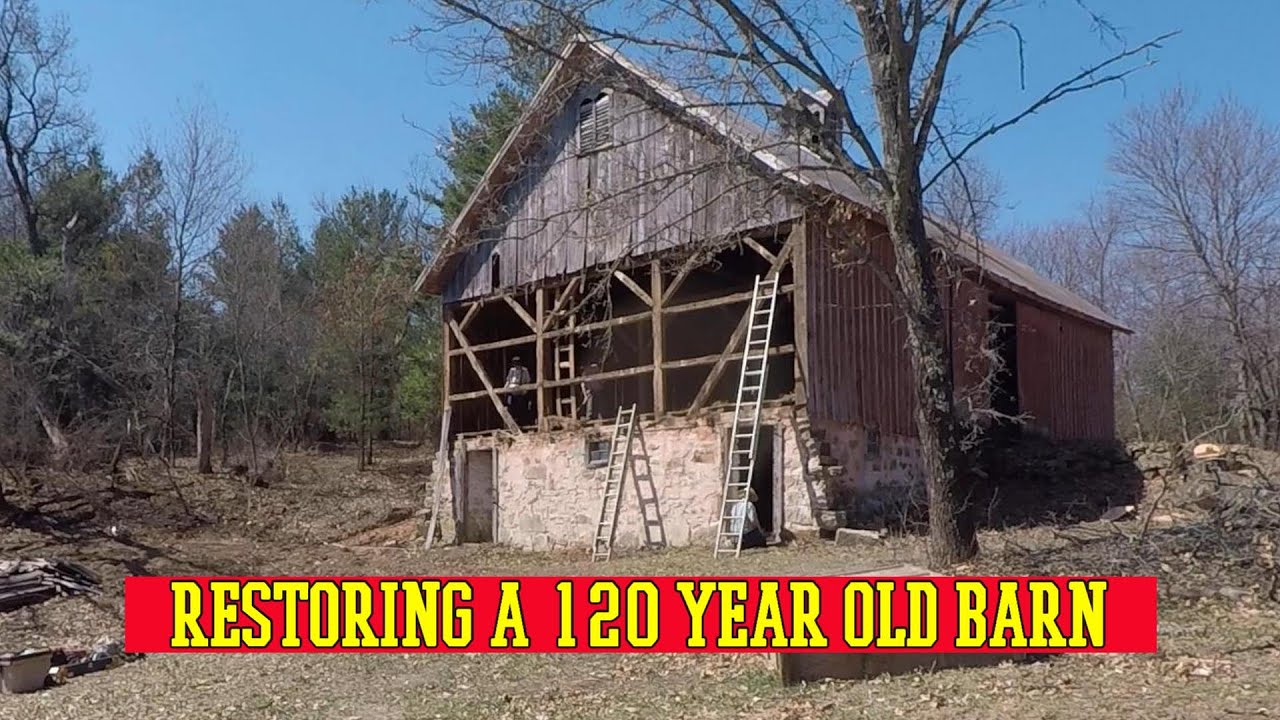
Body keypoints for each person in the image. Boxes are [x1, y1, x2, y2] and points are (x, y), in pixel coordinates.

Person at [505, 356, 532, 425]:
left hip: (521, 392)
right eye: (514, 363)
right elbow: (508, 381)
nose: (516, 365)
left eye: (517, 363)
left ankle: (522, 423)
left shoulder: (524, 371)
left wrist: (525, 391)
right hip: (512, 392)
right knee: (511, 407)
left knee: (522, 408)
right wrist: (505, 389)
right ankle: (512, 423)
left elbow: (527, 381)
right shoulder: (512, 370)